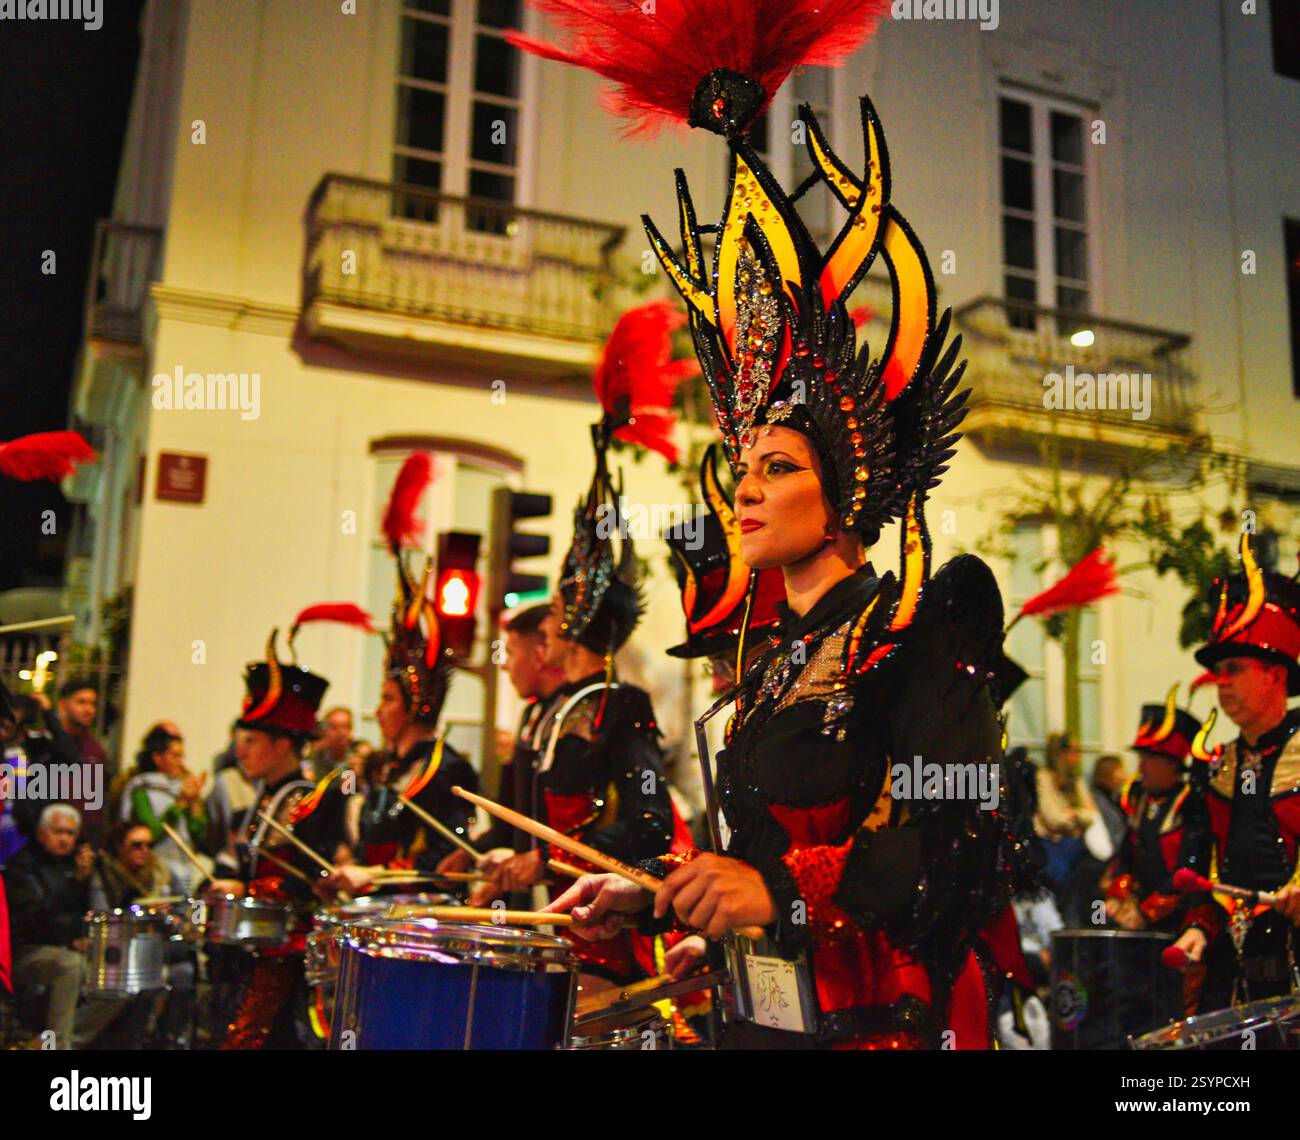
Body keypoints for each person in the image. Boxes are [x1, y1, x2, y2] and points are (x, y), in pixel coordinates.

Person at [518, 10, 1014, 1046]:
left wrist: (780, 896)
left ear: (847, 492)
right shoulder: (775, 654)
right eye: (742, 465)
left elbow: (958, 844)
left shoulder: (923, 631)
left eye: (776, 467)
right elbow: (752, 861)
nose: (743, 490)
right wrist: (662, 898)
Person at [469, 307, 683, 988]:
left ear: (584, 616)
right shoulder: (550, 711)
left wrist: (552, 862)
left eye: (560, 610)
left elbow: (649, 824)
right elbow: (531, 825)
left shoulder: (622, 706)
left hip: (600, 938)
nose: (549, 624)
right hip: (545, 932)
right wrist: (507, 860)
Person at [327, 456, 478, 887]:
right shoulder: (387, 767)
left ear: (415, 703)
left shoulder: (446, 771)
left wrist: (372, 876)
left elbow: (452, 862)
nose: (378, 710)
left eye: (389, 699)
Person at [202, 631, 349, 1050]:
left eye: (252, 741)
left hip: (286, 954)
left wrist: (246, 889)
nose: (241, 751)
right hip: (256, 948)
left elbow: (309, 882)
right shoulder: (265, 796)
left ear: (283, 743)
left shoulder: (312, 800)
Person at [1172, 535, 1300, 1011]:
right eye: (1218, 671)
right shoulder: (1211, 767)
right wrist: (1197, 928)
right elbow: (1201, 868)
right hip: (1234, 969)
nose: (1220, 682)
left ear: (1276, 675)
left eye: (1234, 668)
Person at [446, 605, 566, 875]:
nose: (503, 665)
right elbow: (516, 820)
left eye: (510, 653)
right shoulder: (532, 716)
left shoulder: (579, 714)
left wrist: (539, 860)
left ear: (538, 656)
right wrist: (473, 852)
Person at [2, 804, 124, 1048]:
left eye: (70, 833)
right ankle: (59, 1045)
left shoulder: (77, 864)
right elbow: (35, 917)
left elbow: (91, 912)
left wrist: (84, 934)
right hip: (26, 950)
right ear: (41, 832)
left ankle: (46, 1042)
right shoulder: (22, 864)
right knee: (70, 966)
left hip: (66, 945)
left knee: (116, 977)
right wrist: (74, 883)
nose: (64, 839)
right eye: (58, 831)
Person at [88, 821, 196, 1049]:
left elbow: (188, 905)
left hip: (162, 943)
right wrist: (143, 914)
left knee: (184, 973)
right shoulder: (106, 874)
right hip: (122, 949)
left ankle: (170, 1039)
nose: (144, 850)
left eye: (149, 844)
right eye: (136, 845)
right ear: (120, 846)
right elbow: (102, 915)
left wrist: (179, 919)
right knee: (147, 983)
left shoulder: (162, 871)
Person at [1102, 691, 1201, 935]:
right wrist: (1119, 894)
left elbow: (1187, 870)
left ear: (1171, 763)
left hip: (1180, 923)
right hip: (1139, 921)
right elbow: (1126, 855)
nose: (1140, 766)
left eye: (1148, 758)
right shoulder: (1138, 798)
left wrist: (1147, 912)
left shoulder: (1190, 803)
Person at [119, 724, 207, 891]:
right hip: (156, 868)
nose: (180, 763)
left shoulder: (184, 786)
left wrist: (194, 803)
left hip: (186, 865)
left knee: (195, 909)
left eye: (182, 756)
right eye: (175, 756)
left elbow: (199, 835)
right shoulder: (141, 788)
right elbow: (152, 832)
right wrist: (179, 804)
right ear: (158, 758)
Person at [1034, 731, 1101, 923]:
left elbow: (1092, 816)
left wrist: (1073, 814)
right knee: (1061, 877)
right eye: (1075, 751)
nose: (1080, 756)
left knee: (1094, 875)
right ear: (1061, 754)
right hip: (1050, 845)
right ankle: (1064, 926)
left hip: (1075, 844)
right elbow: (1052, 819)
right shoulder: (1043, 777)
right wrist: (1076, 816)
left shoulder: (1076, 780)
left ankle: (1095, 923)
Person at [52, 680, 112, 846]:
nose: (89, 710)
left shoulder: (95, 749)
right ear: (62, 705)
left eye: (93, 704)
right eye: (81, 702)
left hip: (86, 838)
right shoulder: (48, 743)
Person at [304, 706, 354, 782]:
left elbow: (349, 791)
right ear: (325, 731)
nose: (340, 733)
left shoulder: (356, 762)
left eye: (345, 726)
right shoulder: (313, 761)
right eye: (334, 727)